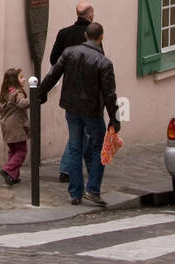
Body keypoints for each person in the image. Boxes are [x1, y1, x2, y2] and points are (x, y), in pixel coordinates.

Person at [38, 21, 119, 207]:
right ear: (101, 38)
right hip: (92, 110)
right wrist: (115, 119)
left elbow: (53, 74)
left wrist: (41, 93)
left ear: (85, 36)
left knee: (75, 148)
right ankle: (92, 190)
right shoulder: (104, 62)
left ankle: (75, 192)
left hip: (71, 107)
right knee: (99, 147)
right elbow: (110, 94)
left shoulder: (69, 53)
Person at [49, 2, 95, 184]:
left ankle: (72, 169)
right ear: (90, 16)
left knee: (80, 132)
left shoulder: (64, 33)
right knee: (87, 133)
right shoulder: (91, 35)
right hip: (88, 92)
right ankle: (73, 168)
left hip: (69, 91)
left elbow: (54, 59)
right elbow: (98, 62)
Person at [0, 66, 30, 186]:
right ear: (14, 81)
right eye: (21, 77)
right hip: (16, 127)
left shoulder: (6, 92)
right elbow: (22, 103)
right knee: (21, 151)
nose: (24, 79)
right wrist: (34, 99)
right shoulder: (17, 93)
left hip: (6, 127)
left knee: (13, 151)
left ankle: (13, 176)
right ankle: (8, 170)